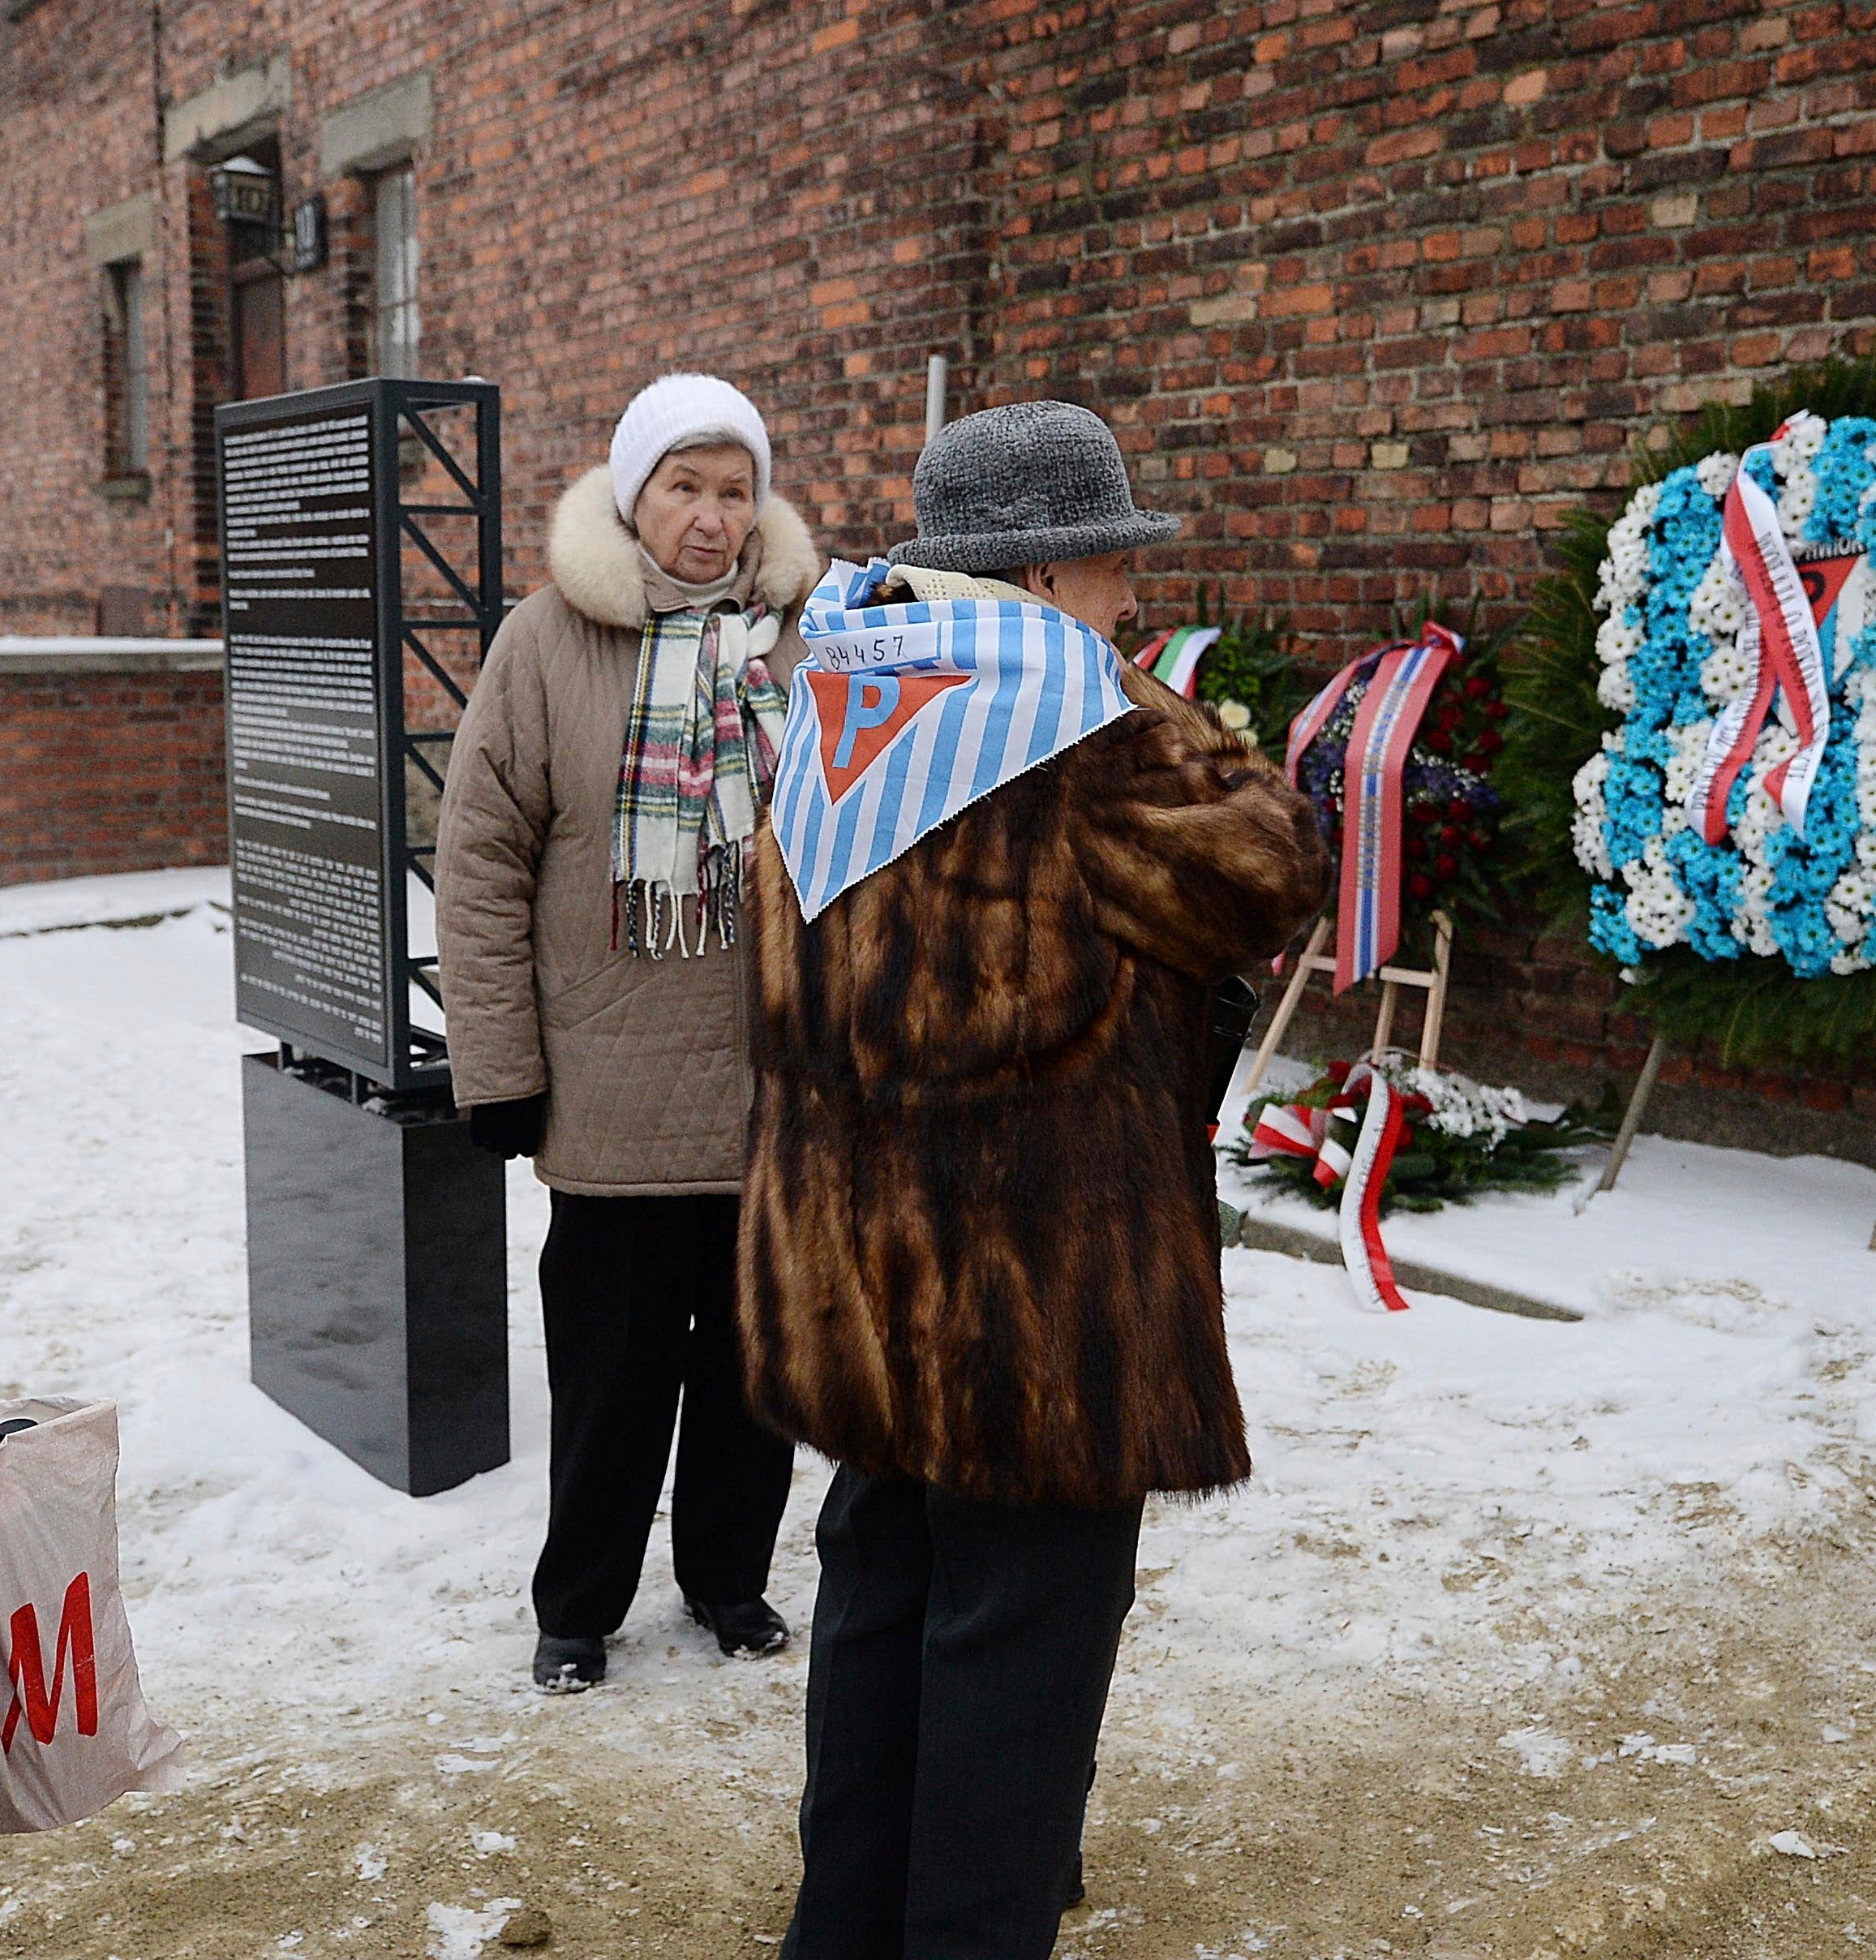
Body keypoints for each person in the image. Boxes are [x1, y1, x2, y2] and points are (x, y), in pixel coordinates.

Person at [741, 401, 1330, 1958]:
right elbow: (1272, 868)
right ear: (1057, 566)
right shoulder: (1083, 728)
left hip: (865, 1269)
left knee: (879, 1608)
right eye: (1117, 570)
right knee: (1016, 1664)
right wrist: (1139, 693)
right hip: (1037, 1299)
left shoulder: (843, 690)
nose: (1135, 599)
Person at [437, 373, 823, 1692]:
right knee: (609, 1384)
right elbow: (479, 864)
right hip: (608, 1095)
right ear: (631, 495)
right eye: (684, 487)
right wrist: (498, 1071)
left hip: (775, 1087)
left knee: (753, 1377)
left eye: (734, 491)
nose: (711, 520)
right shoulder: (546, 644)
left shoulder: (801, 646)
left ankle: (730, 1577)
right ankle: (579, 1602)